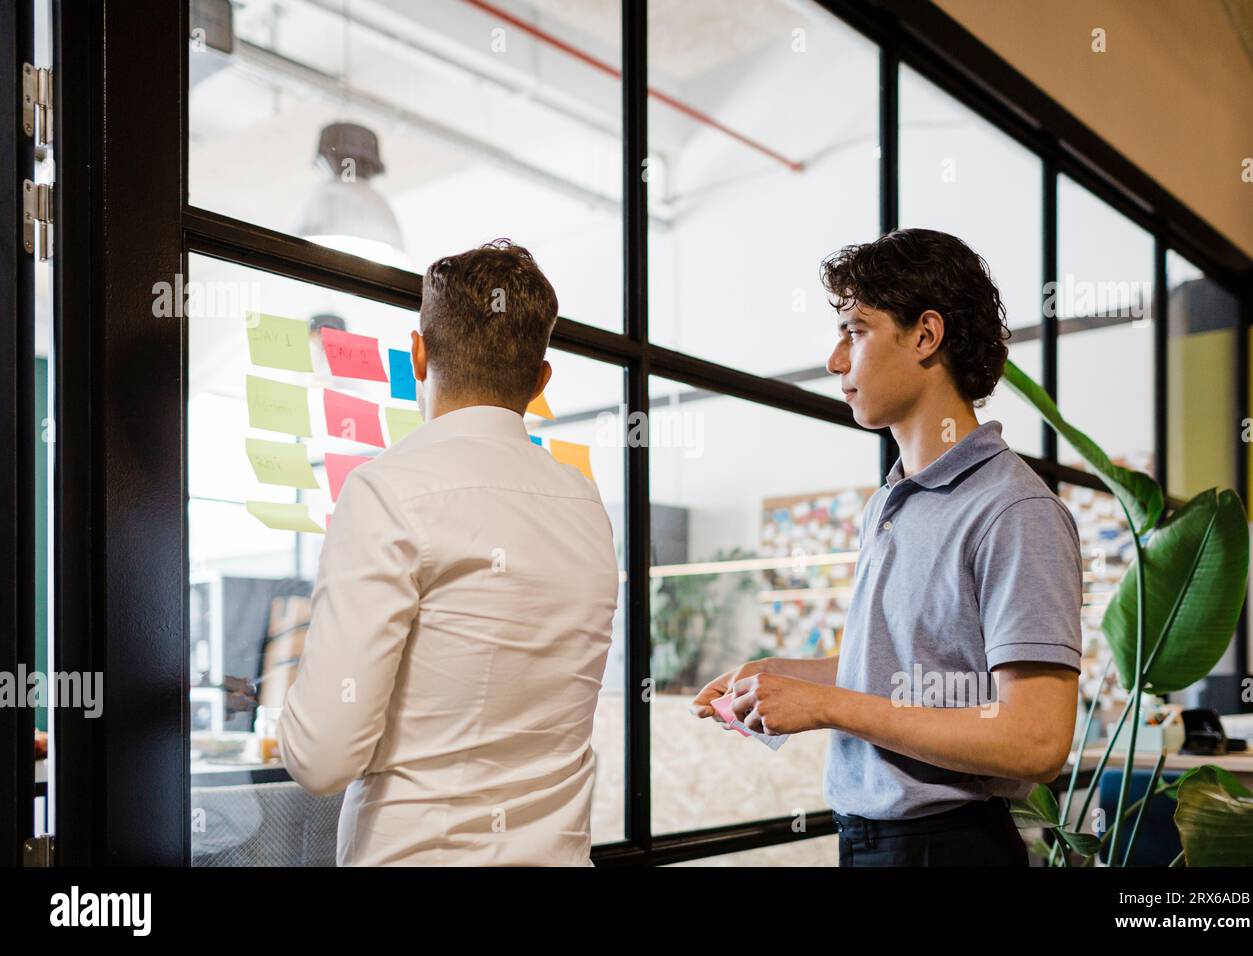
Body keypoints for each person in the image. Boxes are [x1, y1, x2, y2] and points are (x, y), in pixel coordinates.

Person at [692, 228, 1083, 866]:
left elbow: (1035, 739)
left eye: (855, 330)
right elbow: (913, 679)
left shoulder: (1015, 511)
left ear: (926, 336)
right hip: (873, 844)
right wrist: (781, 675)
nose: (834, 360)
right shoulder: (892, 500)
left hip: (948, 849)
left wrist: (826, 704)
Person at [280, 239, 619, 866]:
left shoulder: (388, 489)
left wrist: (285, 704)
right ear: (542, 379)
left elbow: (323, 756)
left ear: (416, 355)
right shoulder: (587, 507)